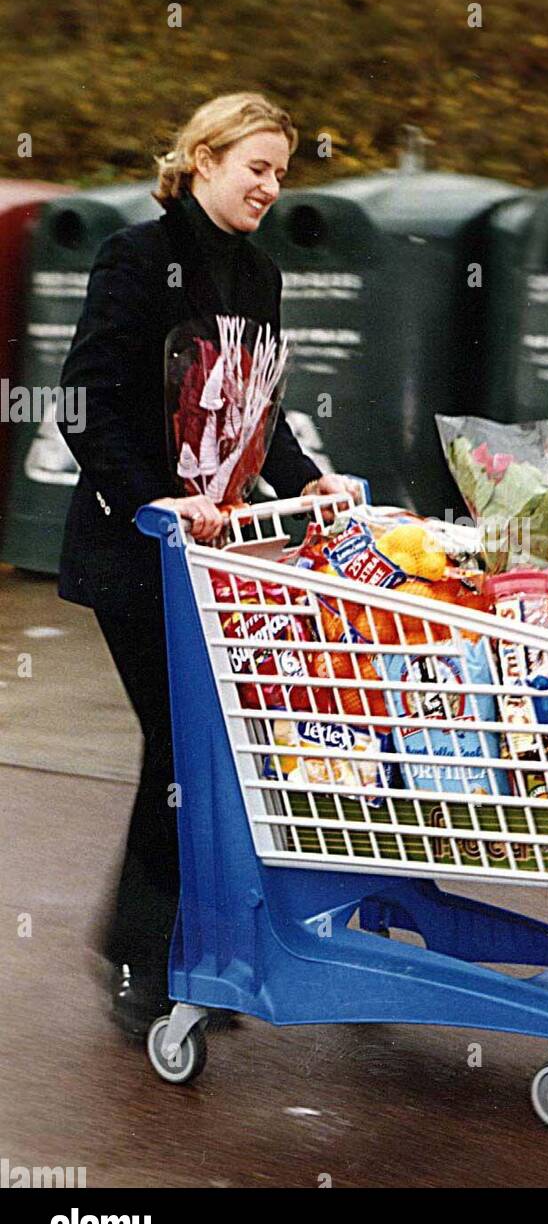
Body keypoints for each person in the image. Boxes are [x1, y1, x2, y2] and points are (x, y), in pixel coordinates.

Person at [57, 92, 359, 1037]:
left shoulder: (258, 273)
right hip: (138, 548)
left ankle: (193, 952)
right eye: (254, 167)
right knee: (184, 751)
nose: (270, 185)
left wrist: (307, 482)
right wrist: (152, 499)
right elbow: (83, 399)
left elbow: (251, 408)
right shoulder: (137, 258)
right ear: (200, 160)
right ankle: (140, 962)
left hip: (220, 554)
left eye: (280, 172)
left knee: (219, 753)